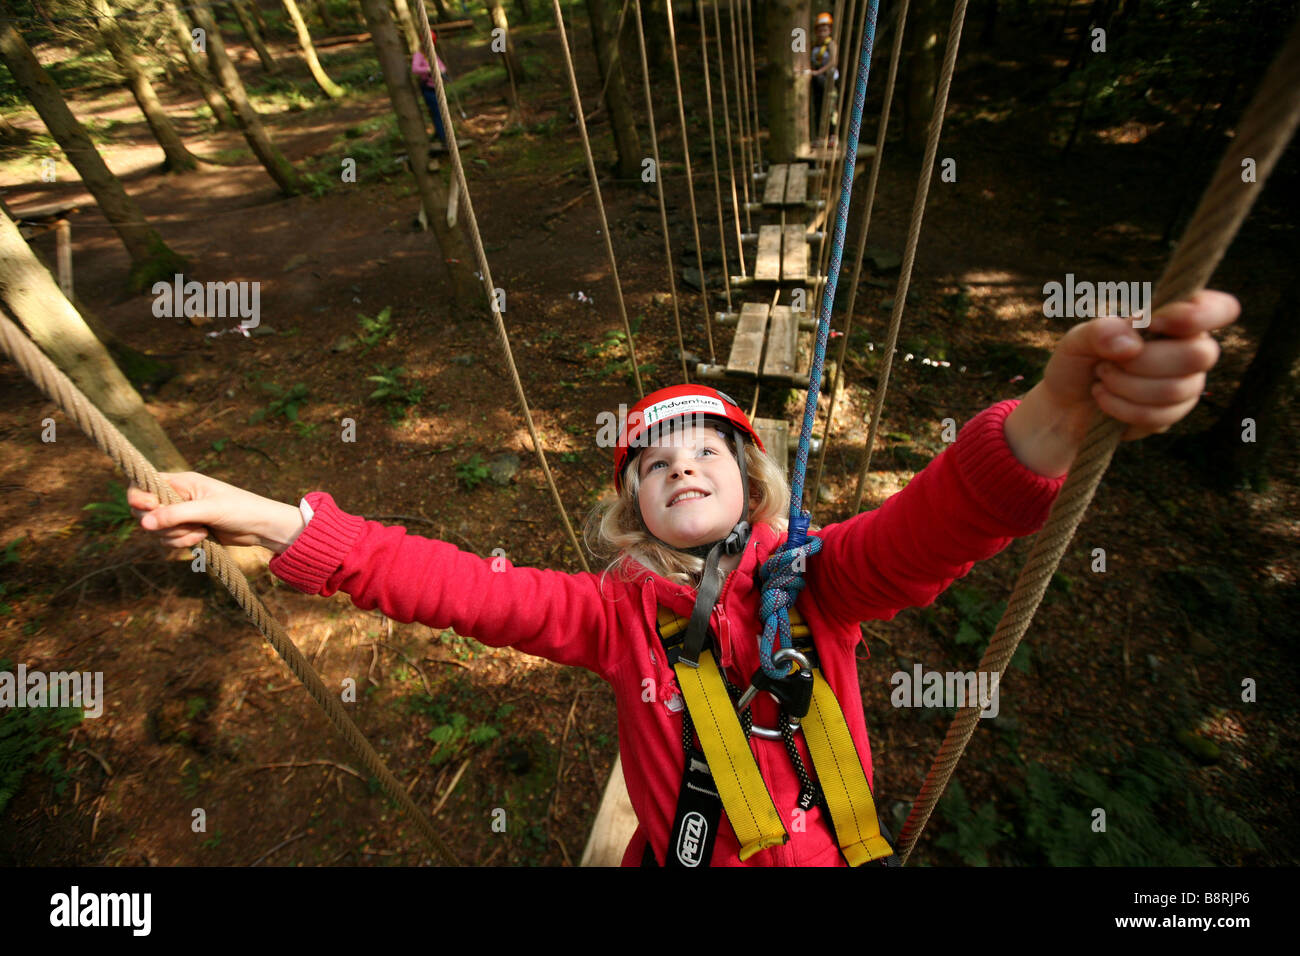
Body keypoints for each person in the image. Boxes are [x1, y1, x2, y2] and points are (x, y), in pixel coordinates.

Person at [128, 293, 1239, 866]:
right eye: (655, 463)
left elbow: (933, 524)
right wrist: (277, 522)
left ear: (751, 485)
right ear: (633, 514)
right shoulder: (611, 616)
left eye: (706, 449)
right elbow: (447, 582)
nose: (680, 464)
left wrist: (1055, 417)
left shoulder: (819, 582)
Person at [412, 30, 451, 150]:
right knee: (437, 112)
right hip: (428, 88)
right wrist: (428, 69)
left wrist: (442, 71)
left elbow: (441, 65)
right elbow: (415, 69)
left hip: (437, 87)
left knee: (442, 111)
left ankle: (442, 134)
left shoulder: (432, 54)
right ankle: (443, 138)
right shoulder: (419, 55)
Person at [809, 12, 838, 144]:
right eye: (820, 30)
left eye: (825, 30)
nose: (822, 32)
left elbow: (833, 62)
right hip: (817, 80)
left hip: (829, 79)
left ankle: (833, 135)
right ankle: (820, 136)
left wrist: (818, 71)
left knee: (830, 107)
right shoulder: (815, 45)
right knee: (818, 107)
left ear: (829, 30)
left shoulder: (831, 44)